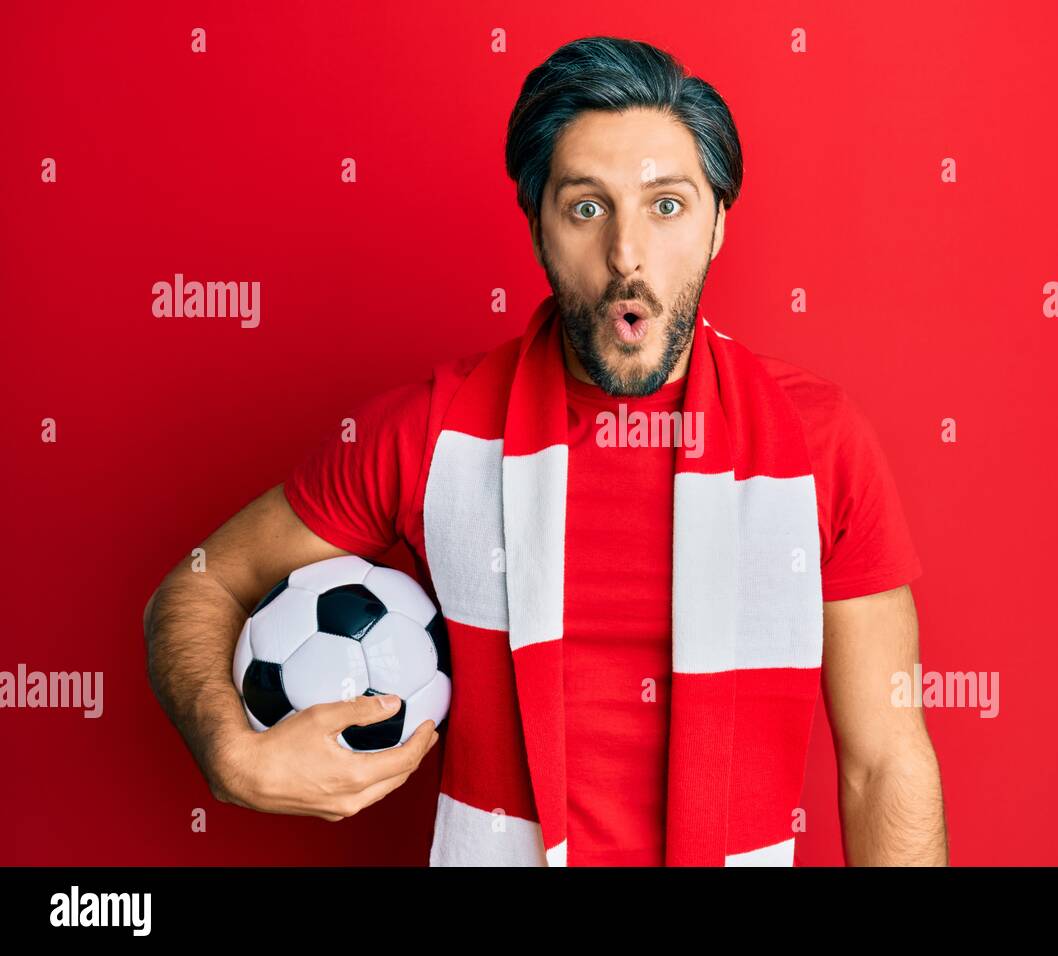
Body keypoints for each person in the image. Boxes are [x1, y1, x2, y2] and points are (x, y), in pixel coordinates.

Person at [143, 35, 947, 866]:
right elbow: (201, 586)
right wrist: (228, 751)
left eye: (667, 205)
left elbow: (884, 763)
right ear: (538, 230)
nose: (627, 254)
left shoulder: (819, 439)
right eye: (587, 207)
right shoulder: (430, 429)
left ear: (716, 227)